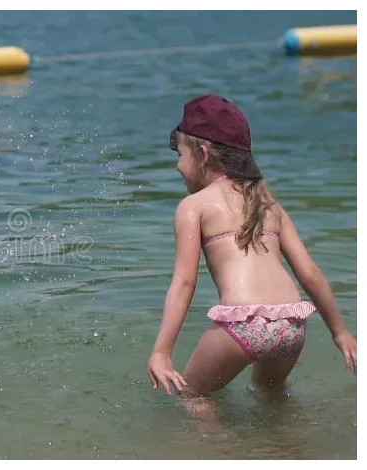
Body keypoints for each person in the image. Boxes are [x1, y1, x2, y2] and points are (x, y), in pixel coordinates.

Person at [147, 94, 357, 399]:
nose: (178, 166)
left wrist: (161, 351)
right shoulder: (268, 204)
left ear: (203, 155)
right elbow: (309, 273)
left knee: (192, 396)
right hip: (291, 322)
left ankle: (230, 449)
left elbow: (184, 282)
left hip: (243, 323)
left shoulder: (193, 207)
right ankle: (284, 446)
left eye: (179, 154)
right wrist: (340, 333)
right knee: (268, 392)